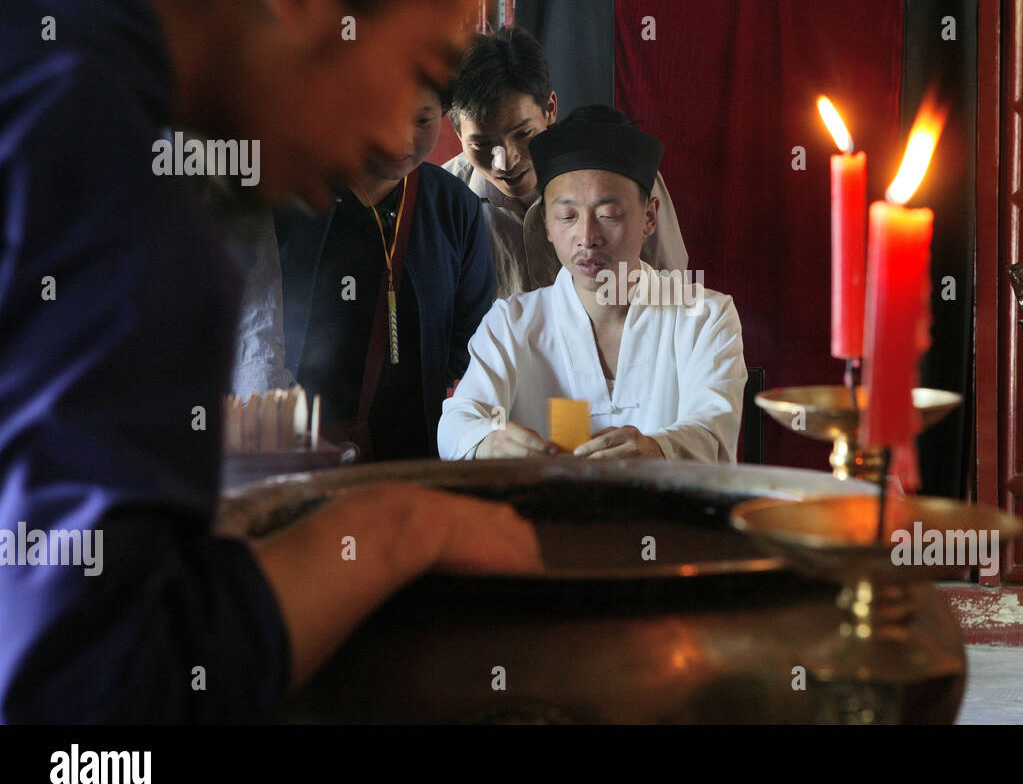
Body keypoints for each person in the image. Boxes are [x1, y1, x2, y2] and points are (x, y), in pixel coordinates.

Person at [0, 0, 539, 723]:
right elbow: (88, 707)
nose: (394, 133)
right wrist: (401, 530)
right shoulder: (124, 196)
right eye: (420, 67)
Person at [439, 107, 746, 463]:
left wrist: (659, 449)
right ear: (547, 226)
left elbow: (713, 432)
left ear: (649, 216)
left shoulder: (705, 317)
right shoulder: (512, 322)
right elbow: (458, 422)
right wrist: (489, 441)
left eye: (608, 214)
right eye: (567, 216)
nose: (586, 238)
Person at [277, 86, 496, 460]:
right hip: (299, 445)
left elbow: (472, 328)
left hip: (414, 445)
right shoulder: (292, 197)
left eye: (423, 120)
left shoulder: (454, 206)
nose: (401, 140)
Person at [443, 26, 690, 298]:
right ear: (458, 133)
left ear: (549, 109)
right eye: (482, 145)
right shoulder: (443, 202)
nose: (504, 162)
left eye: (523, 134)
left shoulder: (622, 171)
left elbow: (670, 293)